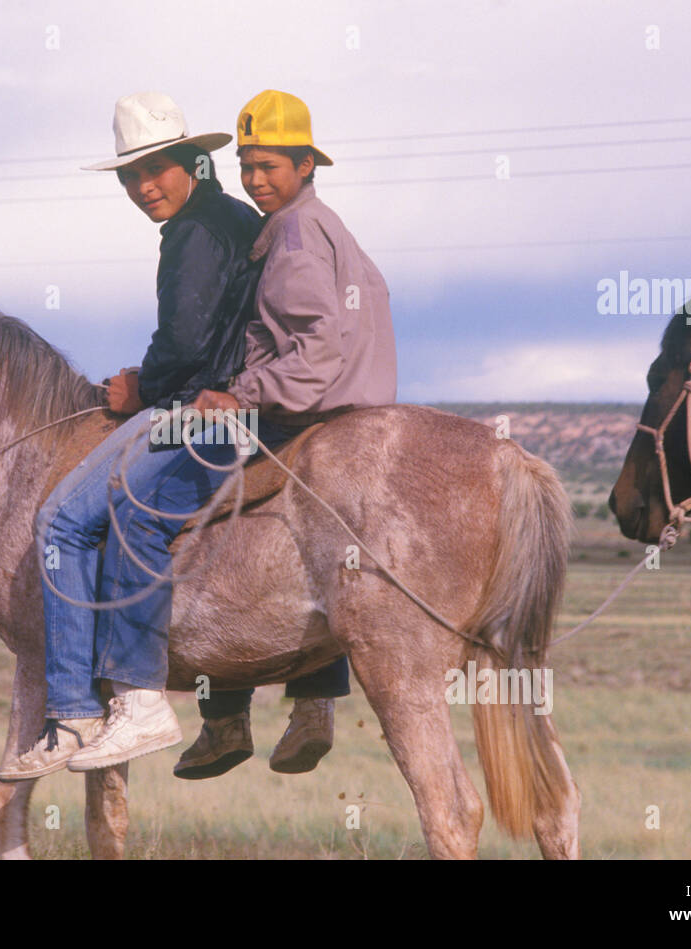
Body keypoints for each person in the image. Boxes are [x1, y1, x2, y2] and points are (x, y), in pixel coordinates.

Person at [0, 91, 302, 780]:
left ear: (190, 161)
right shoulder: (235, 217)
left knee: (62, 521)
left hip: (196, 414)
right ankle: (261, 706)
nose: (142, 187)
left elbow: (188, 341)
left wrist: (141, 385)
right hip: (246, 411)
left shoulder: (193, 231)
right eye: (129, 176)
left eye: (154, 170)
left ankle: (82, 708)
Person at [173, 89, 398, 780]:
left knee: (192, 514)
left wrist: (238, 393)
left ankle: (223, 715)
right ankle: (312, 709)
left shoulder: (295, 237)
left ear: (306, 164)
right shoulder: (326, 227)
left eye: (269, 165)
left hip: (305, 416)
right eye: (246, 166)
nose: (255, 179)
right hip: (355, 417)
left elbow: (315, 351)